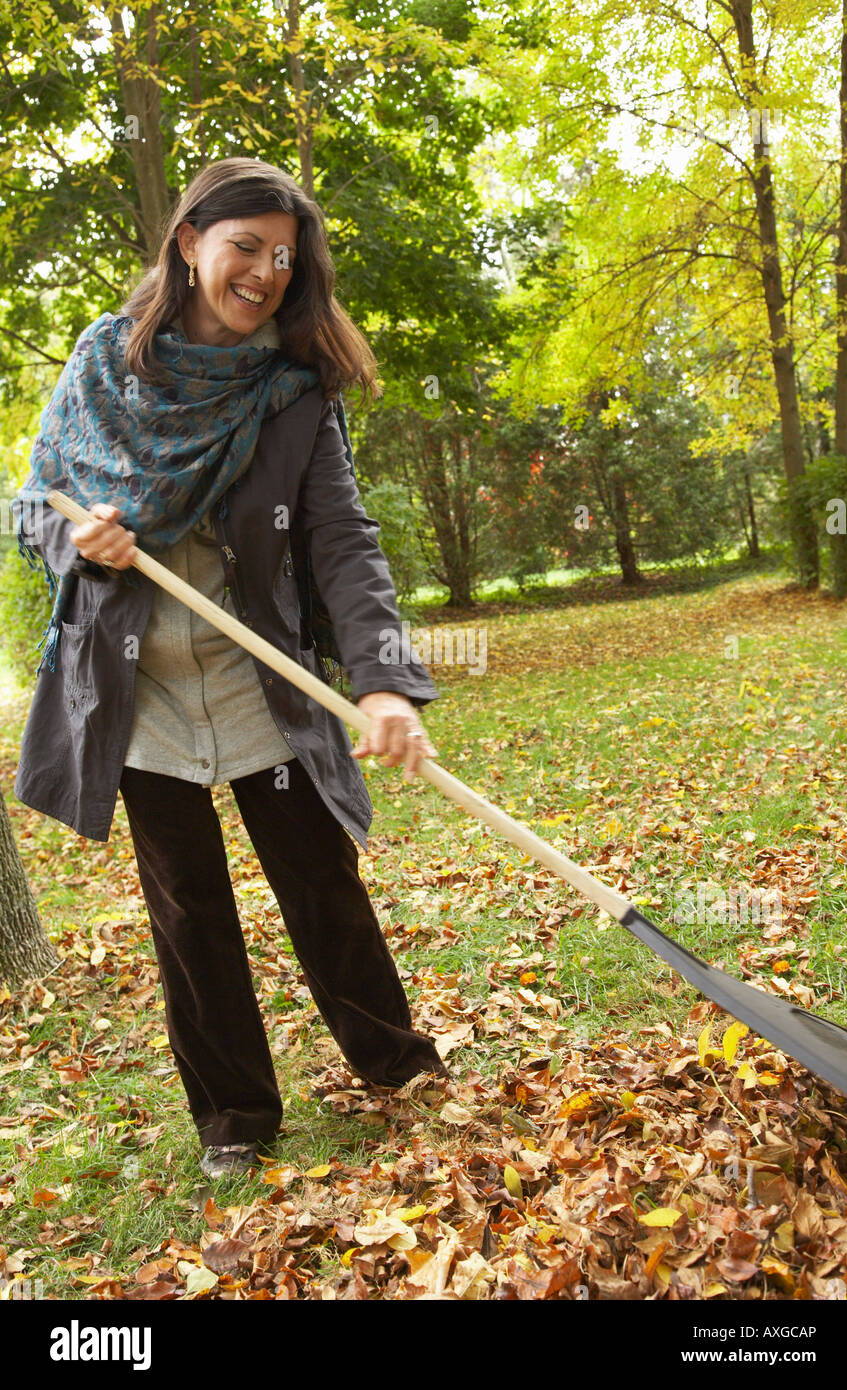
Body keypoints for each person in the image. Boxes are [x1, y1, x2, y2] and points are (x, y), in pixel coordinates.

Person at [13, 157, 449, 1180]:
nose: (261, 270)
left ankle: (398, 1068)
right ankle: (235, 1116)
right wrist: (78, 541)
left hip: (261, 682)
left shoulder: (293, 392)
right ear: (188, 242)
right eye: (243, 245)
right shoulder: (102, 364)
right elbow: (34, 503)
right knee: (186, 907)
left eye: (281, 257)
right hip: (139, 690)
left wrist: (382, 679)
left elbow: (343, 541)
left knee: (319, 882)